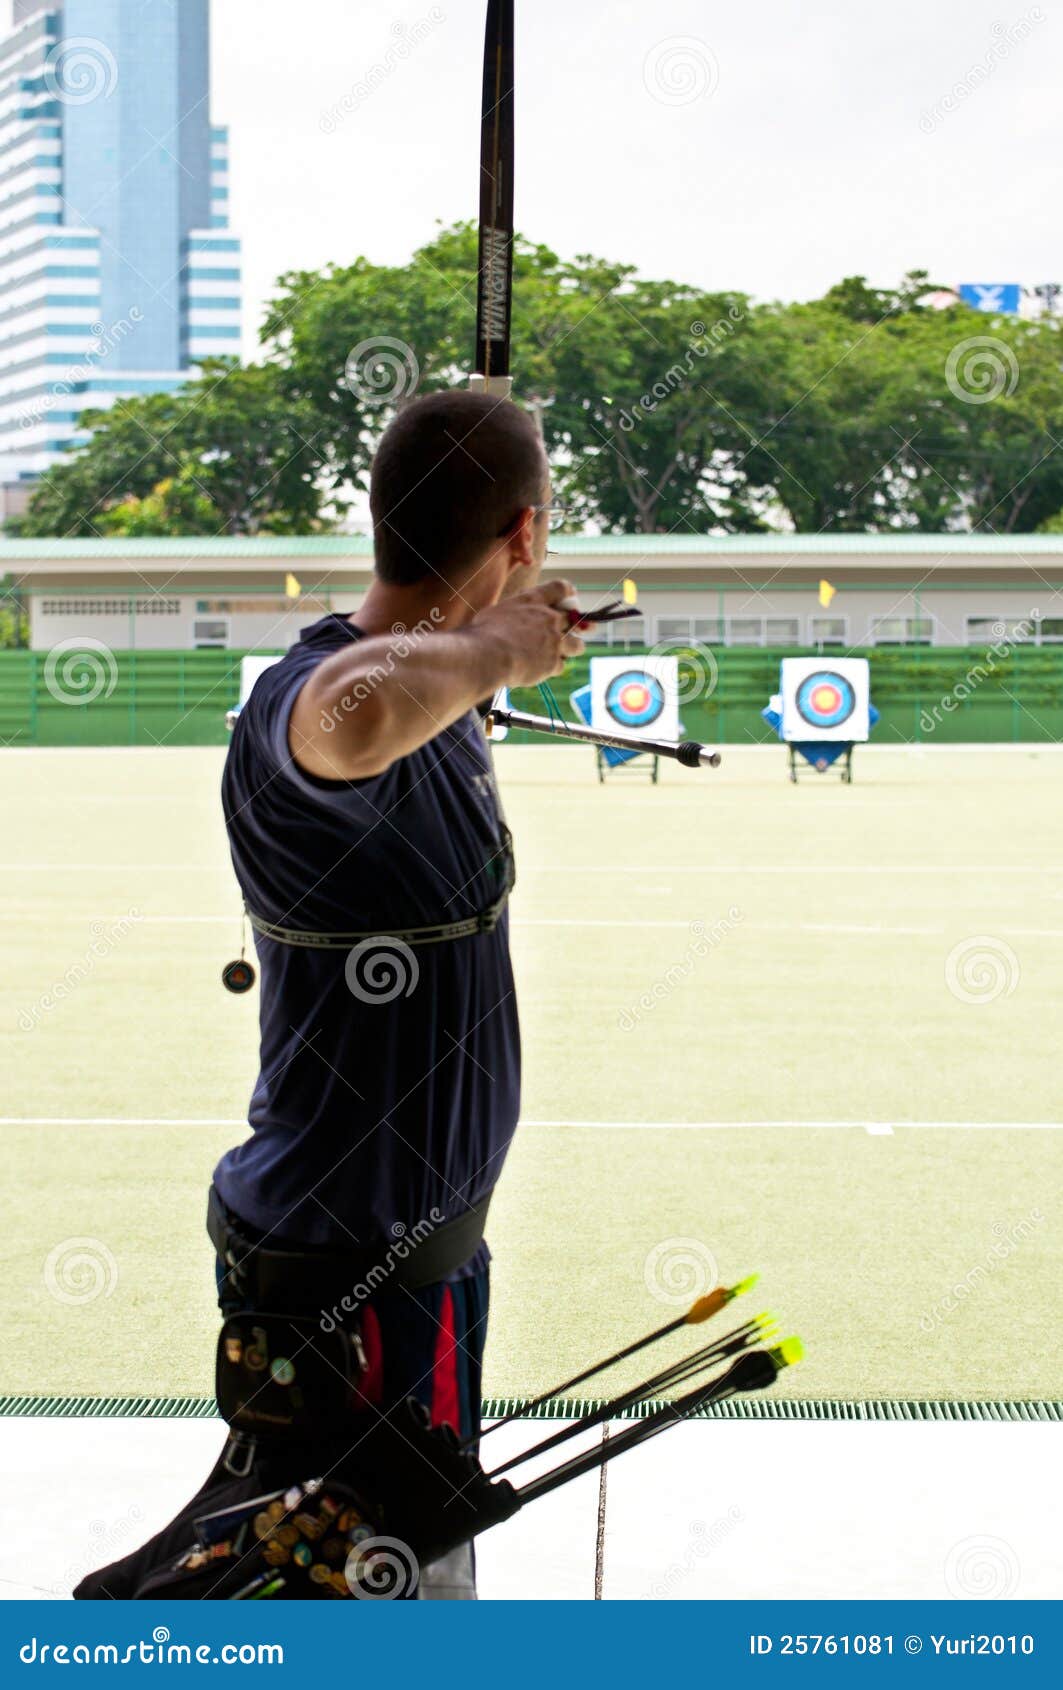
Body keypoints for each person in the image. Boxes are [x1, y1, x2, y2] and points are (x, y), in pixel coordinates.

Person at [75, 390, 582, 1602]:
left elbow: (414, 702)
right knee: (361, 1606)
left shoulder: (440, 704)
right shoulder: (312, 700)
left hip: (417, 1256)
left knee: (397, 1574)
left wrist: (483, 654)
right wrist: (504, 643)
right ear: (524, 532)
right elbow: (349, 711)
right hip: (344, 1267)